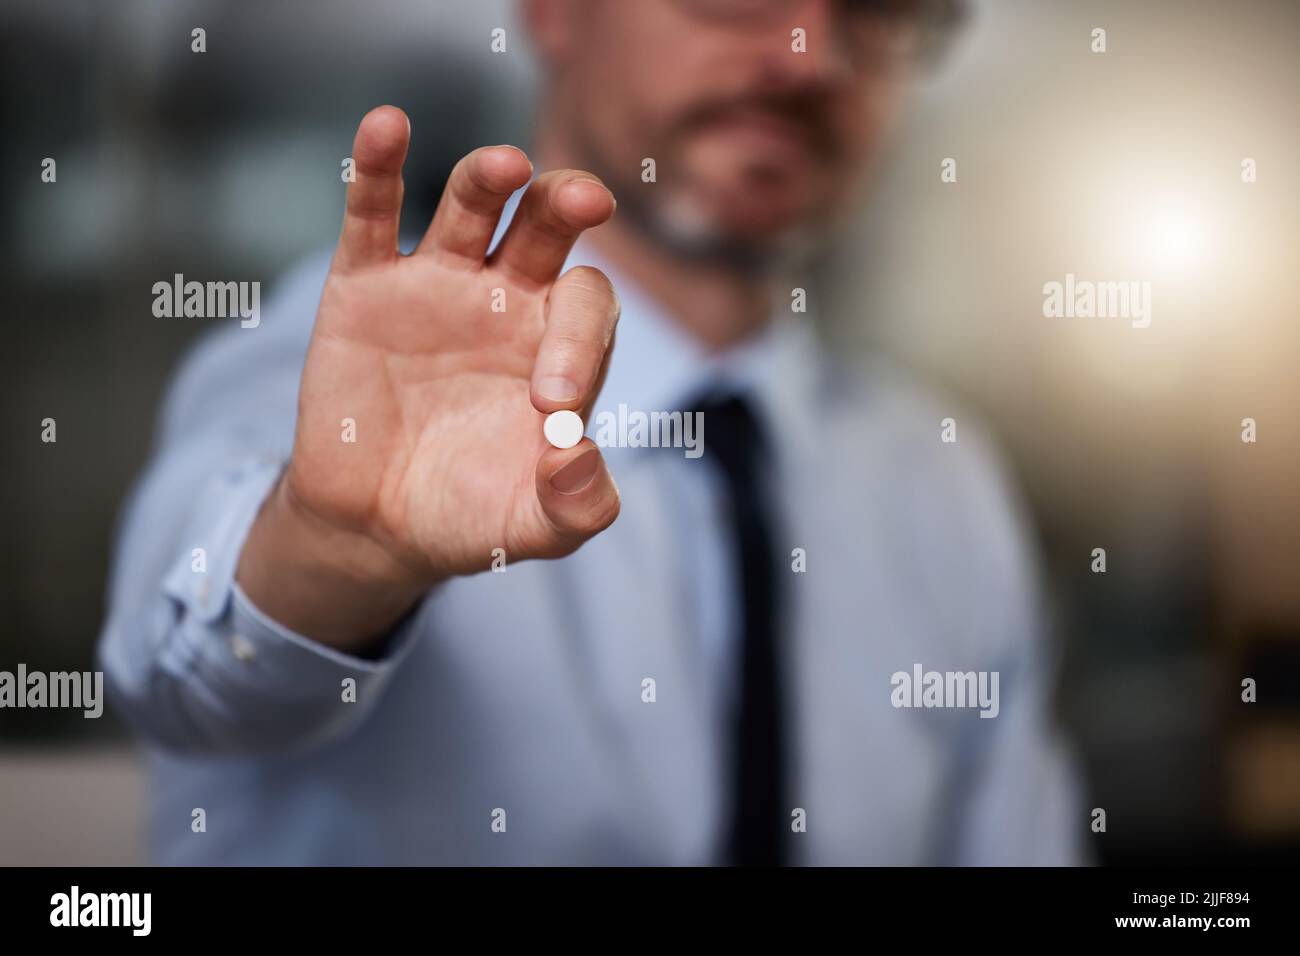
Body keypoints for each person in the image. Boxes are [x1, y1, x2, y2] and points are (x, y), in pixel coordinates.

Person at [99, 0, 1082, 865]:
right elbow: (183, 674)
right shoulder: (335, 372)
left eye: (876, 6)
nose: (809, 56)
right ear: (554, 8)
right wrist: (336, 551)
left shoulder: (939, 479)